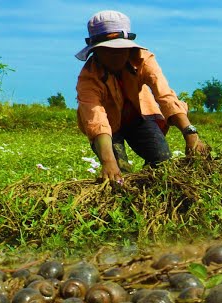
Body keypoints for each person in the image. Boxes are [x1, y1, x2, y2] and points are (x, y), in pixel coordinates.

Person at [75, 10, 207, 184]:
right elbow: (96, 119)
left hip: (140, 116)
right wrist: (108, 162)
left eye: (120, 49)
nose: (115, 56)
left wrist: (190, 133)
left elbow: (164, 95)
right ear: (96, 51)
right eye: (107, 50)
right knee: (119, 173)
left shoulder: (143, 60)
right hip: (108, 127)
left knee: (162, 161)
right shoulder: (88, 78)